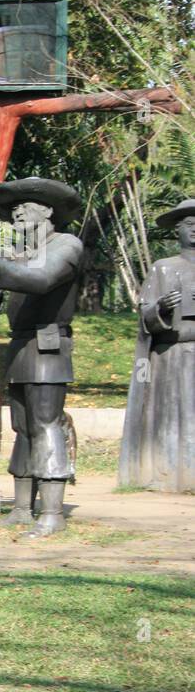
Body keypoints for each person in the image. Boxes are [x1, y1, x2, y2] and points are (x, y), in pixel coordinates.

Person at [0, 177, 83, 534]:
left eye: (27, 205)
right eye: (14, 209)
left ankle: (52, 514)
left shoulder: (65, 245)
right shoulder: (20, 253)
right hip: (23, 345)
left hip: (48, 345)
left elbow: (40, 279)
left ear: (49, 211)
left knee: (44, 423)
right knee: (22, 428)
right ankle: (23, 508)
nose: (18, 211)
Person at [119, 198, 195, 493]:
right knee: (172, 415)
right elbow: (145, 315)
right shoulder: (164, 269)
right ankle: (172, 473)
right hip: (172, 356)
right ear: (178, 230)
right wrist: (161, 307)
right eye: (189, 224)